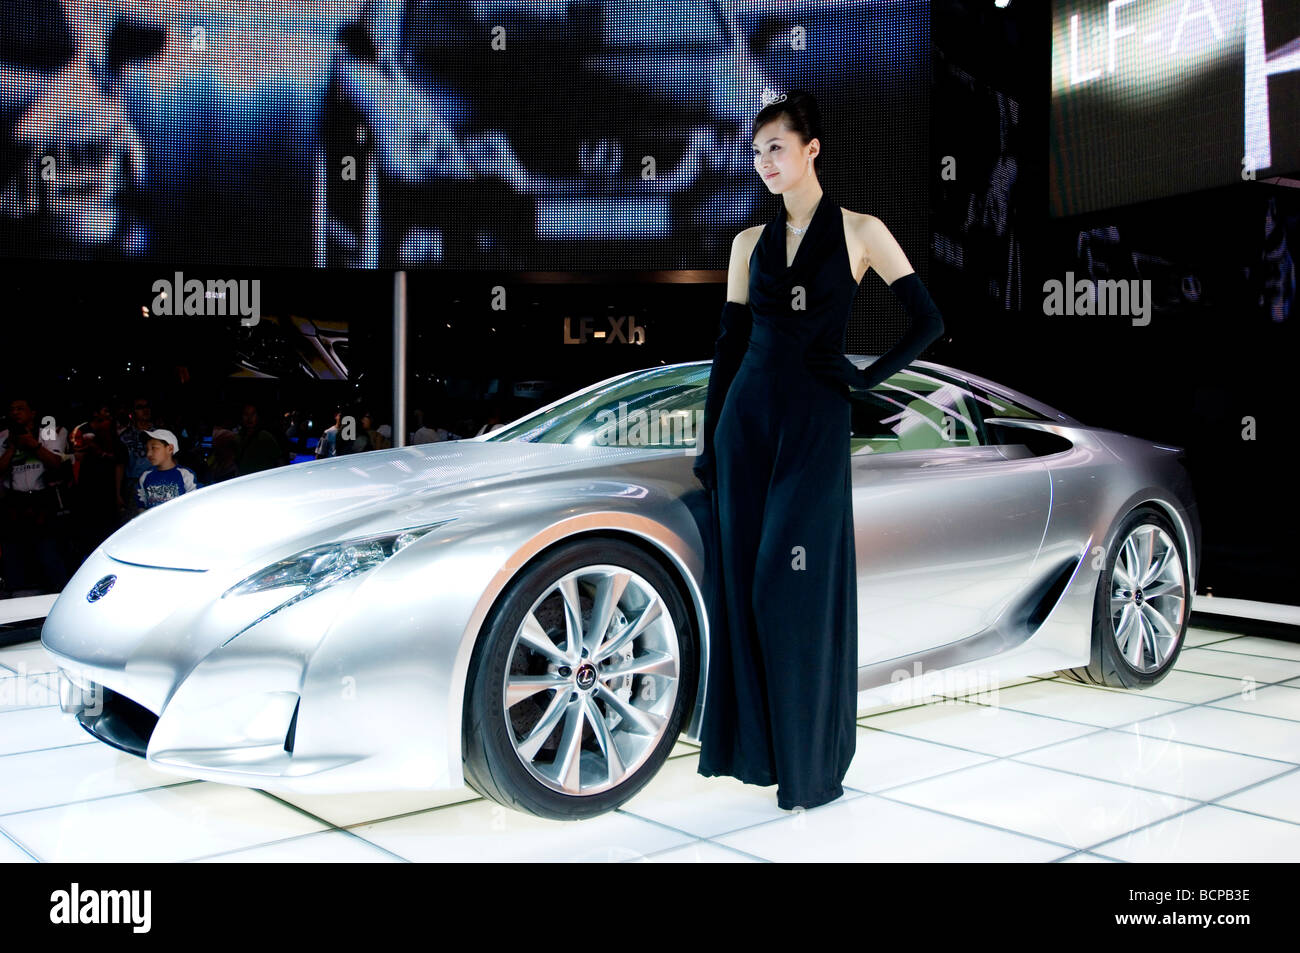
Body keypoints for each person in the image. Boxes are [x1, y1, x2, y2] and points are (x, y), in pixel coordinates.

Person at [692, 89, 946, 811]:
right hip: (747, 424)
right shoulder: (748, 244)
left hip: (814, 424)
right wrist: (709, 443)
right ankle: (767, 756)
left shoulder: (863, 231)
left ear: (811, 148)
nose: (762, 161)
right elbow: (727, 352)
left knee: (789, 582)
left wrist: (865, 380)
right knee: (747, 587)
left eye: (775, 146)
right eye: (755, 151)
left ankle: (812, 764)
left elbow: (929, 320)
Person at [0, 397, 72, 594]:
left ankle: (57, 594)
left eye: (20, 408)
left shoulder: (47, 431)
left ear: (32, 413)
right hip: (15, 500)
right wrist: (13, 447)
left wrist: (32, 444)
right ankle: (17, 598)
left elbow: (56, 462)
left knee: (49, 552)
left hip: (43, 497)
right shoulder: (3, 435)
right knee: (14, 553)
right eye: (12, 409)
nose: (15, 412)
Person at [134, 429, 199, 511]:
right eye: (147, 449)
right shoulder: (145, 476)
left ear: (170, 449)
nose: (148, 454)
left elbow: (194, 500)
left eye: (154, 448)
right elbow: (141, 500)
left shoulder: (185, 475)